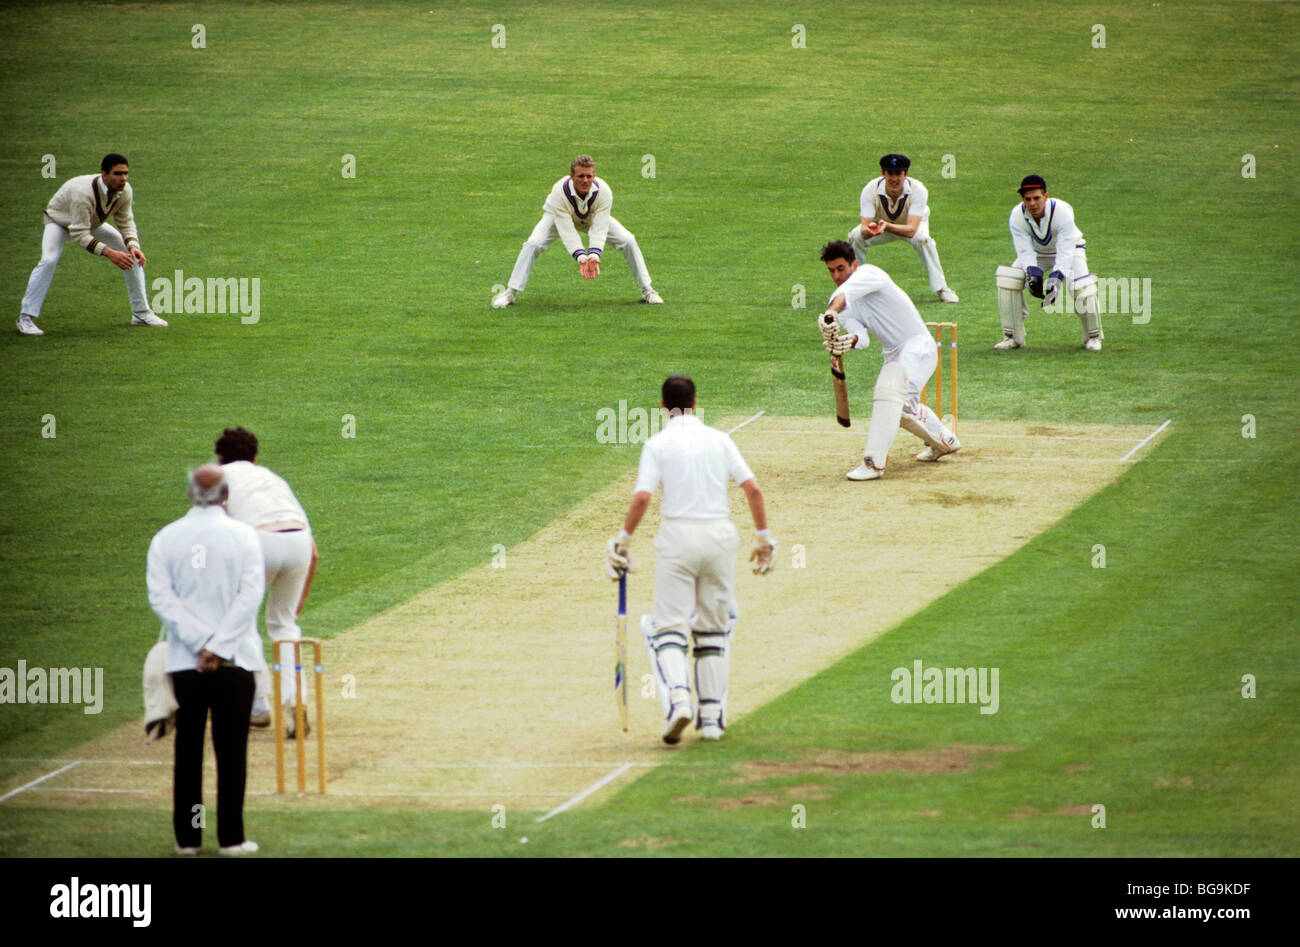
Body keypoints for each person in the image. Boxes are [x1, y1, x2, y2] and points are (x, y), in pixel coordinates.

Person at [605, 375, 774, 745]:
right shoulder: (720, 439)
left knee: (668, 627)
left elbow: (642, 499)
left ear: (662, 407)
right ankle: (711, 720)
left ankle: (680, 699)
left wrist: (623, 542)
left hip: (678, 537)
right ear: (696, 403)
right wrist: (763, 538)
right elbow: (753, 488)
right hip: (719, 536)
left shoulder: (658, 443)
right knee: (713, 628)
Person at [147, 466, 265, 856]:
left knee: (189, 751)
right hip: (234, 660)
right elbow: (249, 597)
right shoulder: (244, 536)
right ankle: (231, 838)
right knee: (231, 752)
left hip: (186, 661)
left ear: (189, 494)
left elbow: (163, 601)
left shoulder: (166, 538)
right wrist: (218, 645)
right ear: (226, 495)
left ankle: (189, 838)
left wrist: (199, 643)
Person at [817, 240, 961, 481]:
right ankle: (946, 440)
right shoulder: (845, 305)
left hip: (918, 347)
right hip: (894, 354)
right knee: (904, 407)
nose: (836, 275)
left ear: (854, 264)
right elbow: (862, 338)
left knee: (889, 397)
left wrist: (830, 314)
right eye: (831, 271)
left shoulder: (869, 273)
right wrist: (847, 340)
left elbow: (842, 296)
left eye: (841, 268)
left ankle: (873, 464)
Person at [213, 427, 319, 735]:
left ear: (219, 459)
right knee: (284, 626)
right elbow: (313, 552)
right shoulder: (273, 478)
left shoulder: (219, 477)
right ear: (255, 457)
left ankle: (258, 704)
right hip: (298, 540)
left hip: (259, 540)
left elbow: (214, 532)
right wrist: (301, 598)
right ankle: (295, 701)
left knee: (243, 620)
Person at [17, 153, 167, 336]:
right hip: (60, 221)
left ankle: (141, 313)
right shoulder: (83, 193)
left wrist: (134, 246)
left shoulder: (125, 190)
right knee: (49, 260)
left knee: (130, 254)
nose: (123, 178)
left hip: (91, 222)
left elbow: (126, 222)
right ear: (104, 173)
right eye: (118, 174)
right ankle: (25, 317)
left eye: (126, 173)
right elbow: (79, 234)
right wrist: (109, 253)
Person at [492, 154, 663, 308]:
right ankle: (510, 293)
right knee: (533, 243)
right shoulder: (559, 191)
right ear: (571, 177)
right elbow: (566, 229)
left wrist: (594, 255)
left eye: (589, 176)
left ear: (594, 176)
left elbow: (600, 226)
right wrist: (581, 256)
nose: (585, 180)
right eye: (580, 176)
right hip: (558, 216)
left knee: (628, 240)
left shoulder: (604, 192)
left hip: (591, 218)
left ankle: (647, 290)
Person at [994, 174, 1103, 351]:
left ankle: (1093, 336)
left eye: (1037, 198)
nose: (1032, 204)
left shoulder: (1062, 211)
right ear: (1022, 199)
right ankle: (1012, 337)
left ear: (1046, 196)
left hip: (1072, 250)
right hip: (1038, 253)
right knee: (1008, 279)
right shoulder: (1017, 216)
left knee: (1080, 286)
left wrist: (1056, 279)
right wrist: (1033, 275)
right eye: (1027, 199)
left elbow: (1066, 249)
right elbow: (1024, 251)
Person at [847, 154, 958, 304]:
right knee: (855, 237)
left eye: (898, 174)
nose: (894, 179)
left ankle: (942, 288)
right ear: (883, 173)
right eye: (890, 174)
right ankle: (858, 286)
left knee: (924, 240)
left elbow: (911, 230)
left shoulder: (918, 190)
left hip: (909, 224)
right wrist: (871, 230)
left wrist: (887, 226)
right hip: (881, 226)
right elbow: (865, 230)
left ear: (906, 174)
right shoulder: (869, 190)